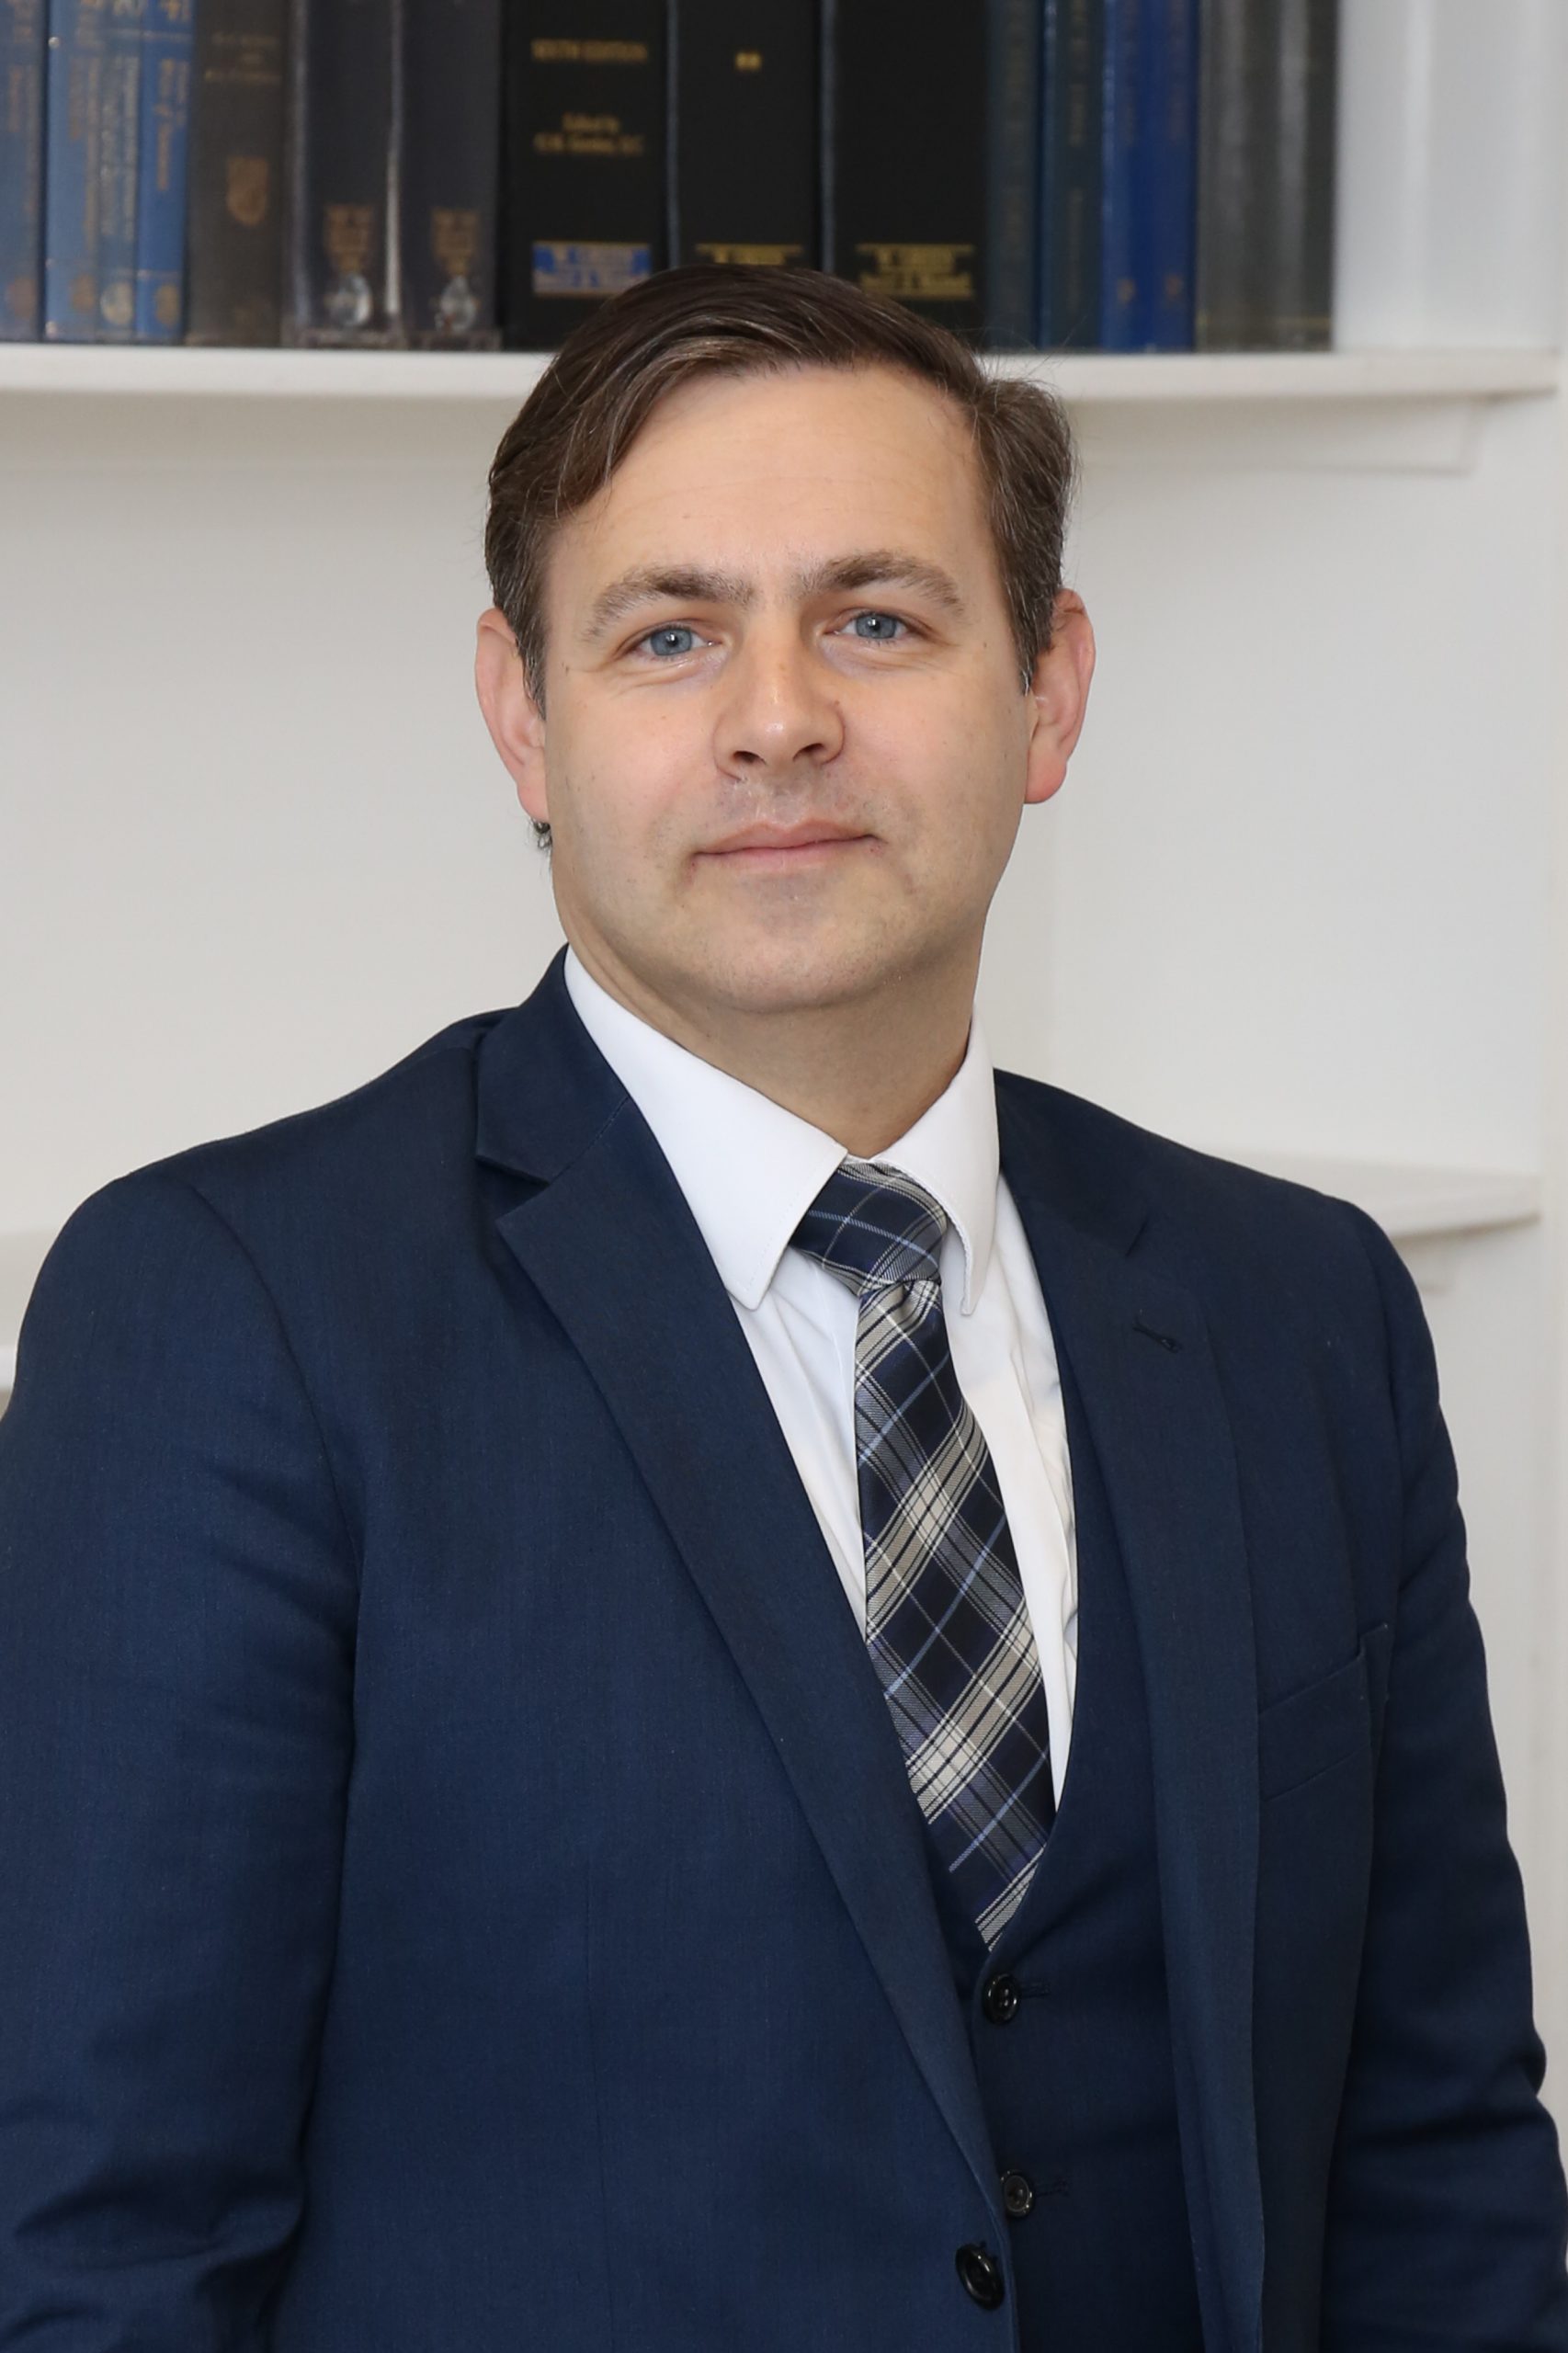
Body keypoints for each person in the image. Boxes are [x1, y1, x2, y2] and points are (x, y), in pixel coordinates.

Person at [0, 262, 1563, 2352]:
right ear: (521, 716)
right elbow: (100, 2253)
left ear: (1049, 691)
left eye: (876, 619)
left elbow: (1440, 2168)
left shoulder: (1302, 1314)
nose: (777, 717)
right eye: (668, 634)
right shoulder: (227, 1319)